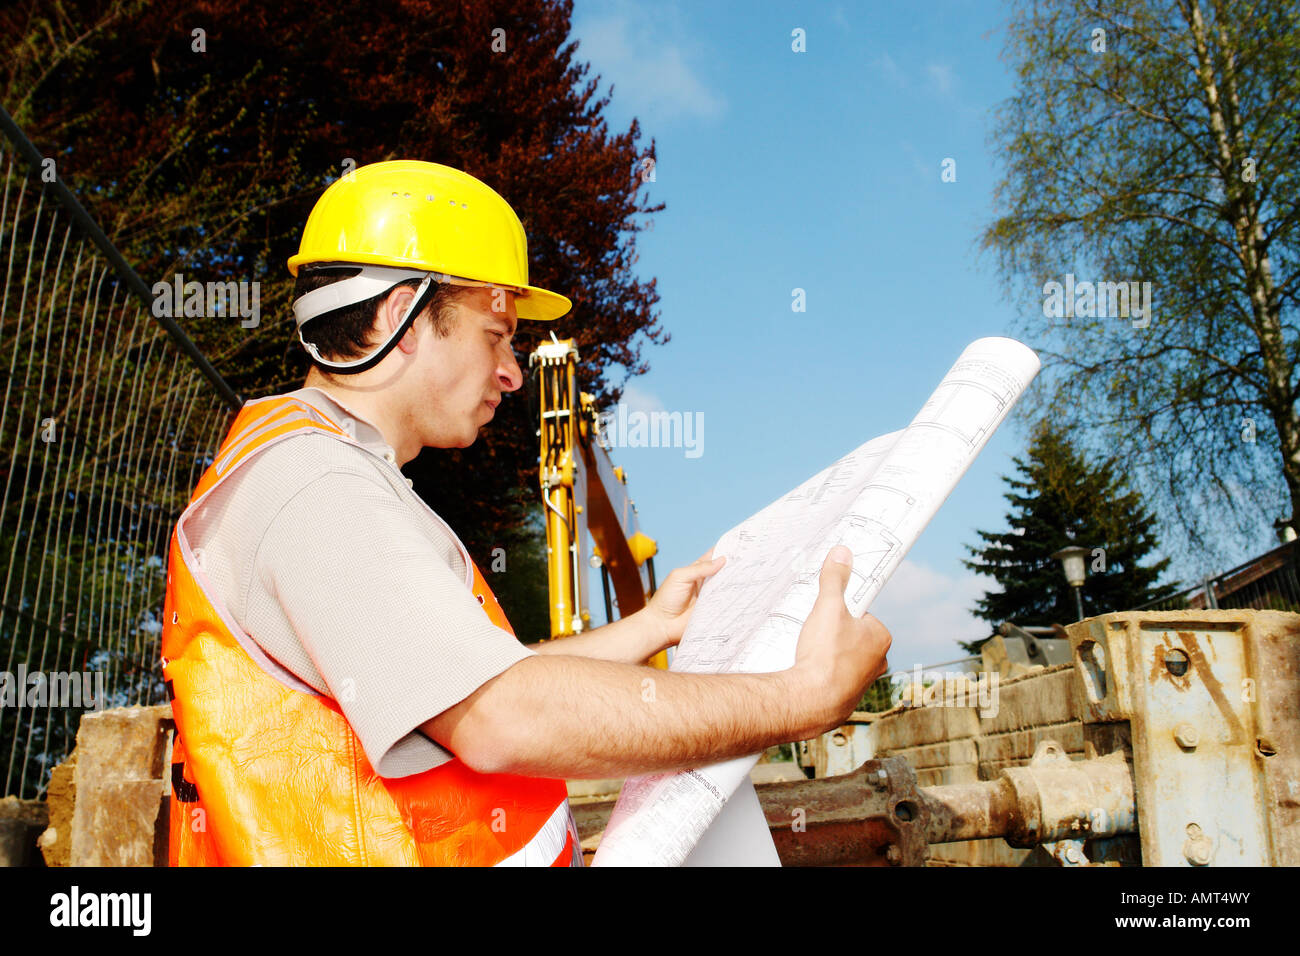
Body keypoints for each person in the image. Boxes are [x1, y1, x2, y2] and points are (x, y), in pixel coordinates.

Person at [161, 160, 891, 866]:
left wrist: (650, 627)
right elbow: (500, 714)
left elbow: (478, 679)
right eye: (495, 334)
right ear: (400, 318)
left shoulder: (323, 471)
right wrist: (802, 697)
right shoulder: (314, 485)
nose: (511, 371)